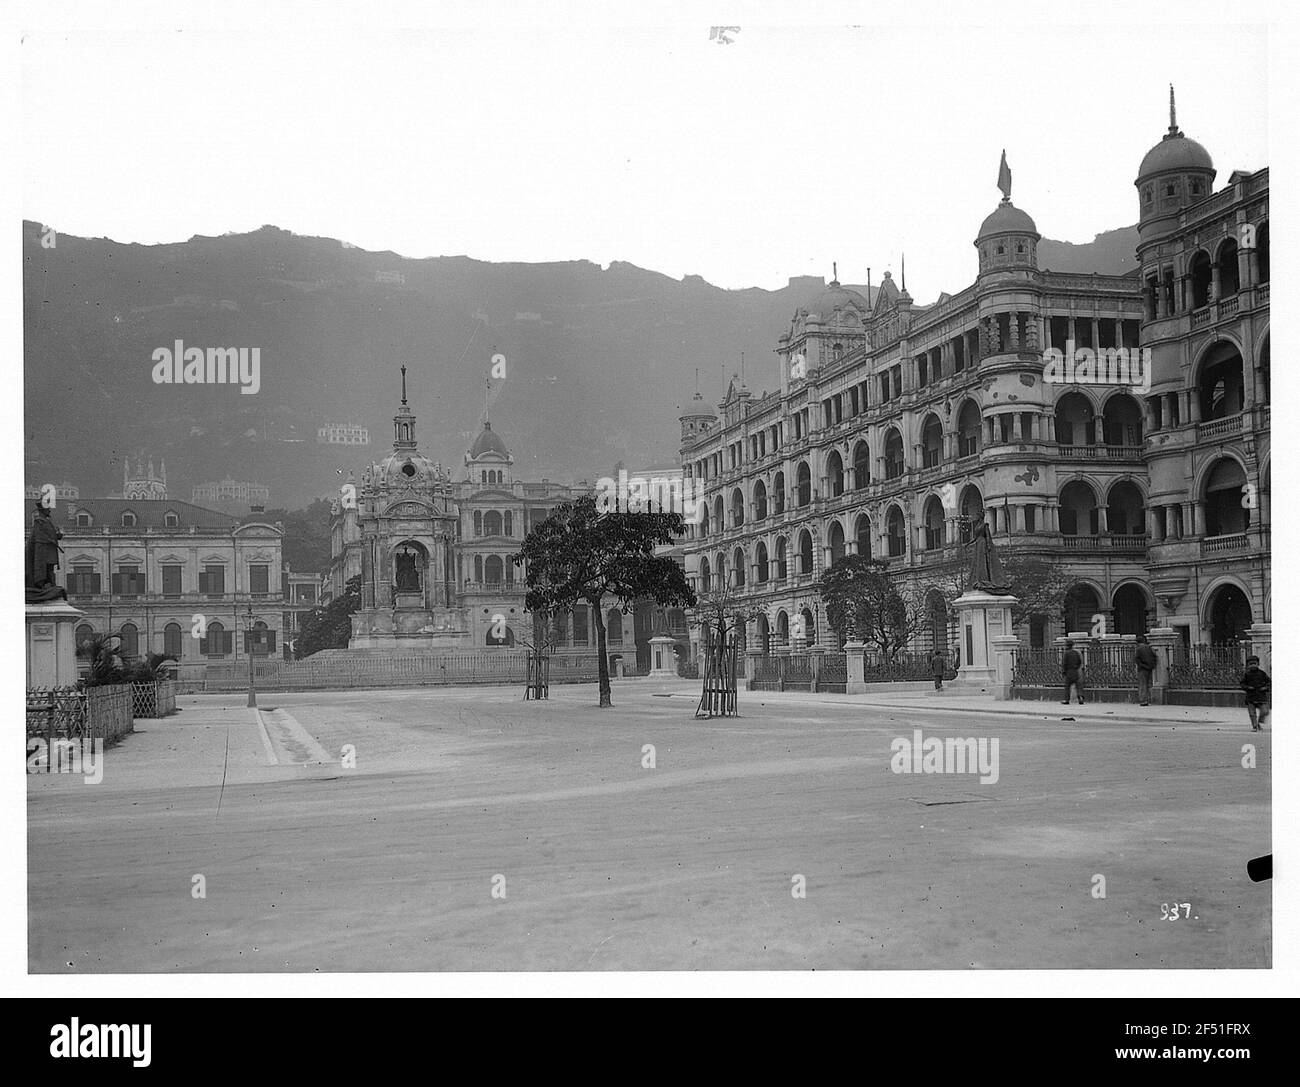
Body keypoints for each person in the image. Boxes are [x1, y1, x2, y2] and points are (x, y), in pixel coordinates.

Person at [1240, 655, 1271, 731]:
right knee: (1252, 713)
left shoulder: (1262, 674)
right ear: (1248, 665)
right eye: (1250, 664)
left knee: (1265, 711)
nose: (1253, 665)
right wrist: (1247, 687)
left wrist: (1265, 688)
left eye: (1254, 663)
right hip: (1250, 696)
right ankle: (1254, 726)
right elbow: (1242, 684)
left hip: (1261, 696)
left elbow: (1269, 682)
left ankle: (1259, 722)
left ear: (1258, 664)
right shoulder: (1247, 674)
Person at [1134, 635, 1158, 706]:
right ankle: (1149, 699)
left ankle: (1143, 701)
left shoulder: (1138, 649)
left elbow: (1137, 659)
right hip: (1150, 668)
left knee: (1142, 685)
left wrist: (1141, 665)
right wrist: (1153, 665)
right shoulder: (1149, 647)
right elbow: (1155, 656)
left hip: (1142, 669)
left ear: (1137, 642)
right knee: (1149, 684)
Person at [1061, 639, 1085, 705]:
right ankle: (1080, 697)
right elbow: (1080, 661)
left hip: (1069, 671)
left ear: (1067, 646)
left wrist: (1064, 671)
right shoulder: (1076, 652)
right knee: (1078, 686)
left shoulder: (1066, 653)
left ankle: (1067, 700)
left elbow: (1064, 663)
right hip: (1076, 671)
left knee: (1067, 686)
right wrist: (1077, 667)